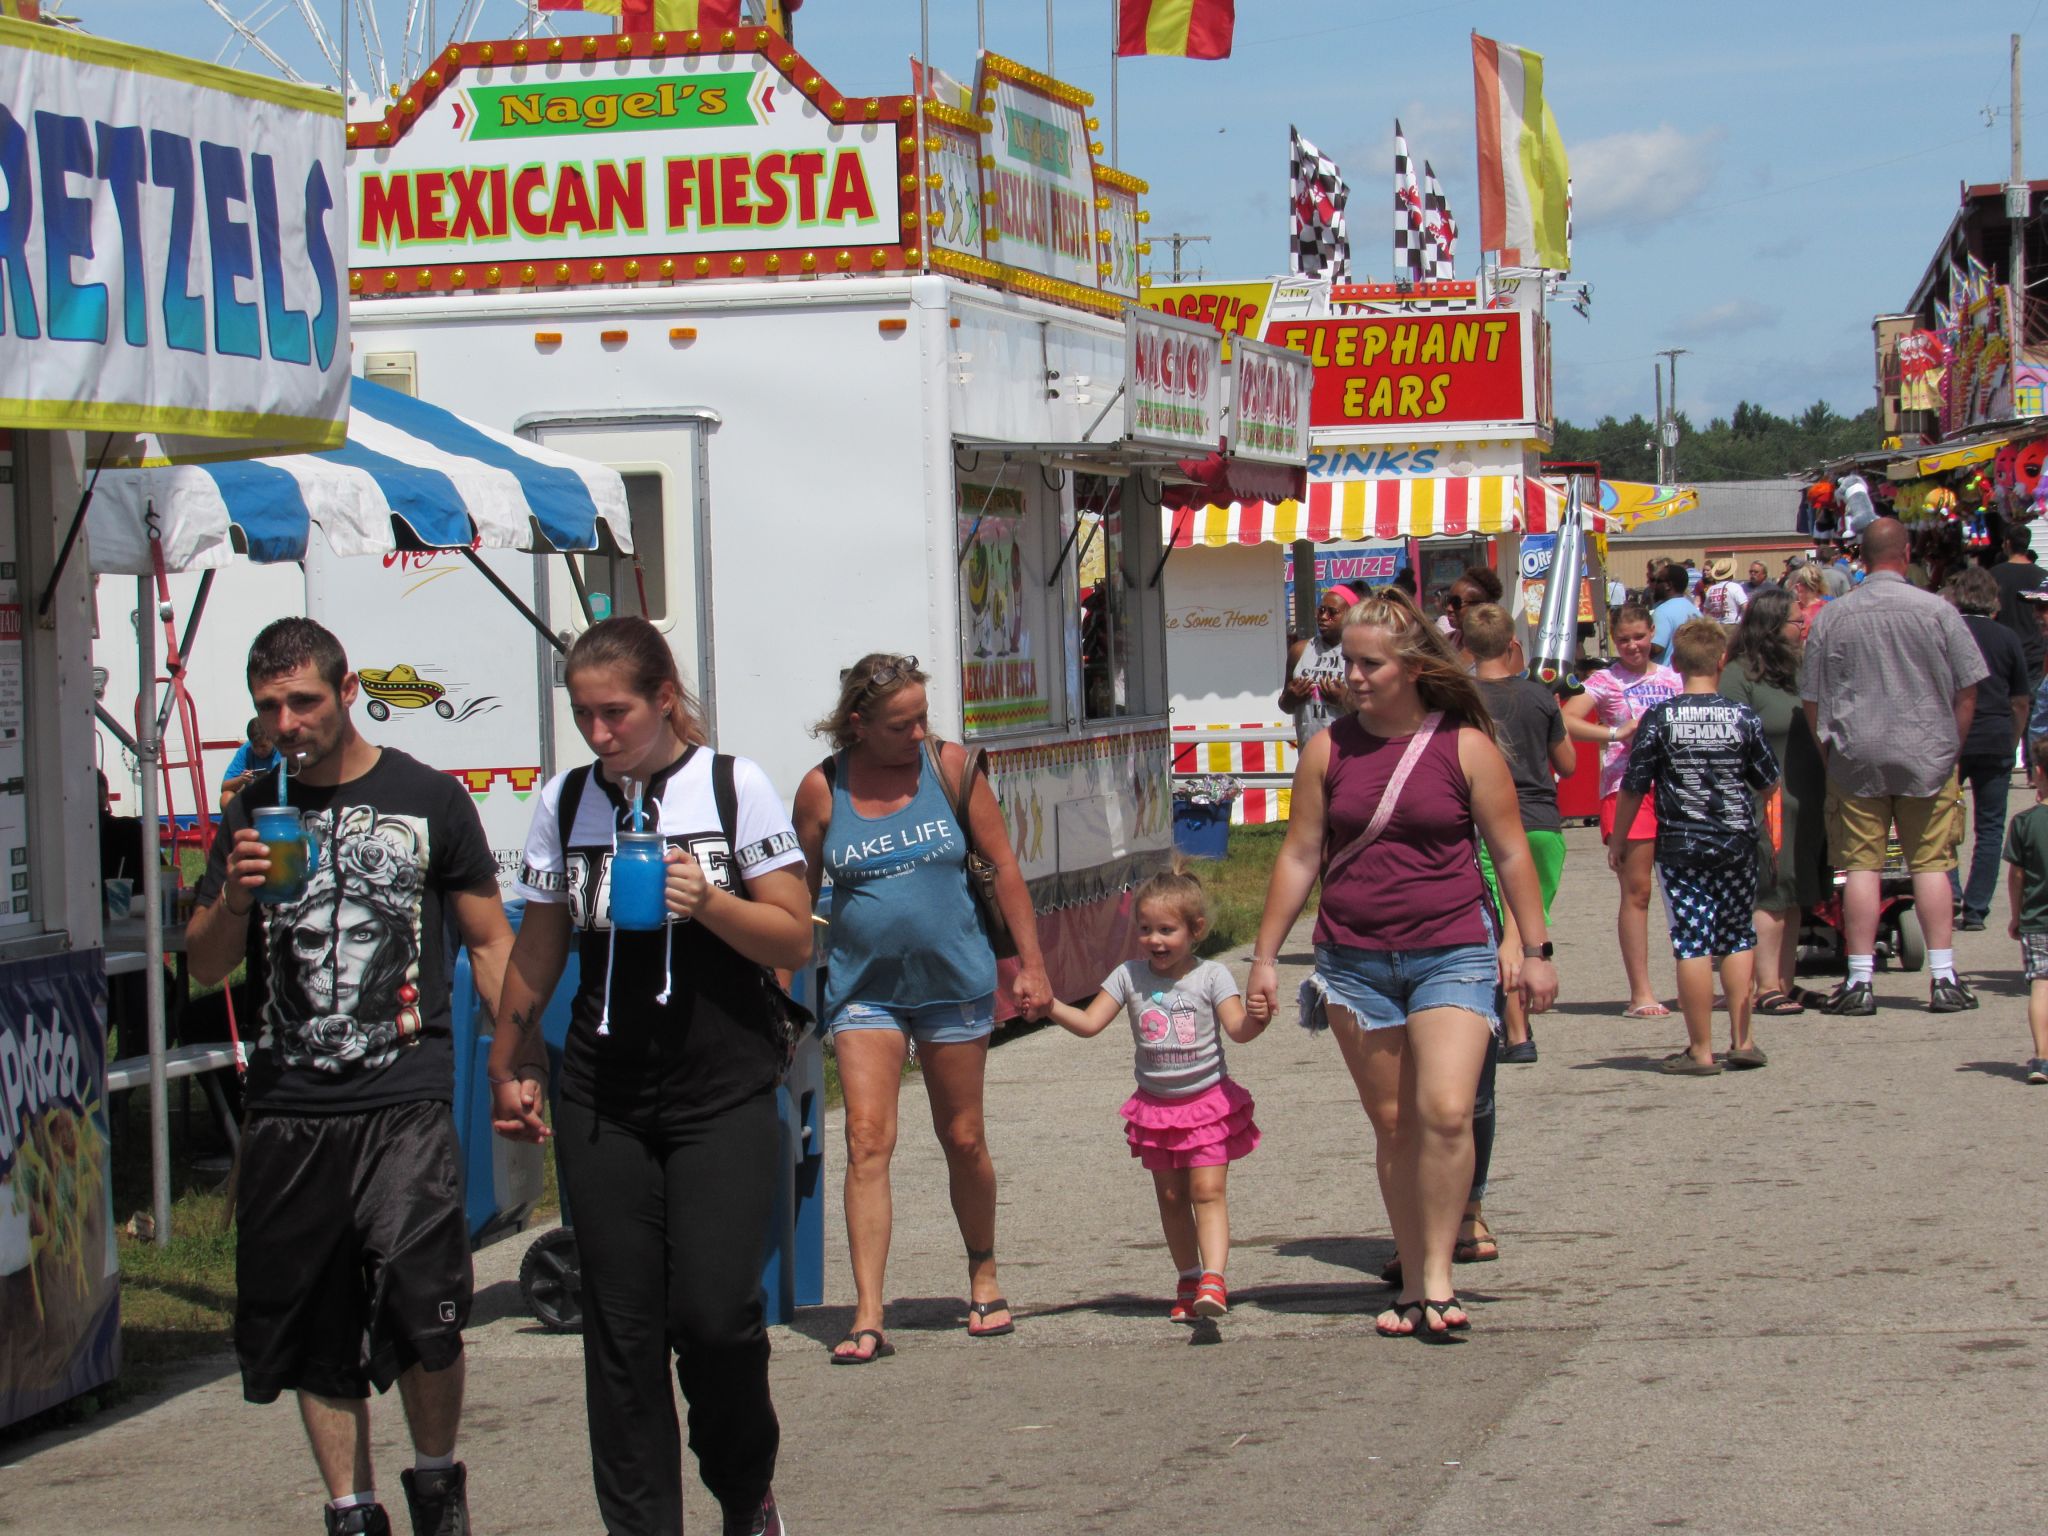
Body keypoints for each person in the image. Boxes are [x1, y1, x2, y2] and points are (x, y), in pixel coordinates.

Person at [186, 618, 513, 1536]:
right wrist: (236, 894)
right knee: (315, 1322)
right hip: (290, 1104)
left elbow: (490, 940)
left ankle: (438, 1486)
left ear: (346, 691)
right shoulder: (253, 807)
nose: (286, 722)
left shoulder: (428, 799)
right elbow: (205, 964)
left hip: (402, 1094)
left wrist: (515, 1059)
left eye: (303, 701)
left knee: (423, 1308)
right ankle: (351, 1509)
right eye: (268, 708)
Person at [485, 617, 804, 1536]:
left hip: (723, 1085)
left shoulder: (731, 786)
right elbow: (541, 943)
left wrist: (707, 901)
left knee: (714, 1317)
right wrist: (514, 1057)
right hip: (604, 1092)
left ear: (664, 698)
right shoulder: (568, 800)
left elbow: (790, 934)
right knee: (619, 1335)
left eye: (614, 712)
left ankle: (745, 1494)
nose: (598, 734)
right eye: (583, 716)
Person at [1244, 593, 1558, 1340]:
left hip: (1452, 949)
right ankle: (1415, 1278)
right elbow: (1298, 855)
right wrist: (1263, 956)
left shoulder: (1465, 746)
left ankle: (1441, 1276)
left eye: (1368, 663)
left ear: (1413, 668)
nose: (1350, 675)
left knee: (1446, 1112)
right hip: (1353, 959)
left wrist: (1534, 950)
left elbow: (1511, 850)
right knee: (1393, 1125)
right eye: (1346, 661)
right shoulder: (1330, 749)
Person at [791, 654, 1051, 1364]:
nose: (917, 734)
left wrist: (1031, 966)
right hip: (863, 991)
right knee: (867, 1140)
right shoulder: (822, 789)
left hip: (954, 981)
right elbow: (795, 896)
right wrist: (777, 978)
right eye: (901, 724)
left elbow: (1003, 868)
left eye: (921, 720)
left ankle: (984, 1273)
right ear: (858, 724)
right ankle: (868, 1312)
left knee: (963, 1137)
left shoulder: (952, 768)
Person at [1048, 865, 1266, 1322]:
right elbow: (1090, 1025)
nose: (1154, 940)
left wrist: (1258, 1018)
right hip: (1156, 1110)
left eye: (1167, 930)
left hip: (1207, 1103)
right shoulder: (1128, 976)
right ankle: (1188, 1277)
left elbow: (1238, 1029)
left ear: (1196, 930)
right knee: (1170, 1198)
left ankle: (1214, 1281)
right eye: (1145, 929)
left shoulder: (1213, 977)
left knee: (1207, 1190)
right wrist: (1049, 1006)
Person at [1802, 516, 1989, 1016]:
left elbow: (1813, 699)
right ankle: (1945, 977)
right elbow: (1969, 687)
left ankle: (1860, 980)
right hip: (1926, 753)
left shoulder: (1832, 618)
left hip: (1856, 753)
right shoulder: (1938, 612)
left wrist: (1829, 751)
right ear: (1907, 555)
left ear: (1861, 558)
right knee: (1931, 863)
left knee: (1860, 866)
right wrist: (1951, 746)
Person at [1610, 620, 1781, 1074]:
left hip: (1682, 843)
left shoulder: (1660, 717)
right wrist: (1752, 811)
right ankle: (1742, 1040)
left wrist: (1621, 839)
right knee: (1737, 936)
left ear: (1677, 664)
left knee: (1692, 942)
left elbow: (1634, 784)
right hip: (1735, 839)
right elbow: (1768, 779)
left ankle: (1700, 1049)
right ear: (1721, 661)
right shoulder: (1742, 716)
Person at [1465, 602, 1574, 1065]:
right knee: (1529, 925)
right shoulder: (1539, 697)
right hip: (1544, 827)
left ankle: (1517, 1031)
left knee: (1503, 932)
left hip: (1490, 826)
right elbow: (1566, 763)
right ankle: (1520, 1017)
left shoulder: (1461, 700)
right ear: (1513, 646)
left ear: (1464, 645)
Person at [1563, 603, 1680, 1017]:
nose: (1633, 646)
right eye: (1624, 639)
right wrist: (1614, 732)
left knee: (1683, 888)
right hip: (1624, 788)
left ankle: (1696, 980)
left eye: (1639, 636)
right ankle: (1641, 992)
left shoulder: (1673, 679)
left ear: (1652, 633)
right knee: (1638, 890)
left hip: (1675, 789)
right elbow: (1566, 720)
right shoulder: (1605, 680)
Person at [1720, 588, 1829, 1017]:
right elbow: (1730, 742)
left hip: (1808, 795)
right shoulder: (1739, 674)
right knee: (1770, 890)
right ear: (1771, 627)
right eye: (1795, 622)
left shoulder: (1800, 672)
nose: (1802, 629)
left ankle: (1786, 980)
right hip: (1765, 800)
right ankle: (1764, 984)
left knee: (1797, 890)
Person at [1945, 568, 2033, 932]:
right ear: (1993, 600)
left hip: (1952, 736)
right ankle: (1977, 907)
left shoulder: (1947, 634)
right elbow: (2020, 700)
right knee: (1990, 826)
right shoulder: (2007, 637)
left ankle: (1948, 890)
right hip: (1996, 733)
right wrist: (2013, 741)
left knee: (1943, 822)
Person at [2002, 753, 2048, 1083]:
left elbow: (2016, 876)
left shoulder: (2024, 822)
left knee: (2041, 986)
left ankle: (2043, 1058)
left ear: (2040, 772)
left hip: (2038, 919)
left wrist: (2016, 916)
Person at [1280, 585, 1358, 746]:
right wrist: (1292, 697)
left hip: (1348, 750)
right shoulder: (1299, 650)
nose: (1323, 616)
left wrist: (1343, 699)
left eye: (1332, 612)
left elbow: (1375, 710)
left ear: (1350, 615)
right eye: (1321, 610)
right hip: (1309, 750)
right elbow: (1285, 705)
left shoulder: (1359, 652)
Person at [1991, 524, 2046, 684]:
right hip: (2035, 652)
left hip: (2003, 650)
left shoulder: (1994, 575)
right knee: (2033, 704)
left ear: (2007, 544)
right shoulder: (2043, 576)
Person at [221, 714, 283, 808]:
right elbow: (224, 787)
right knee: (226, 797)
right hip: (254, 799)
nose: (258, 751)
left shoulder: (284, 748)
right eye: (255, 746)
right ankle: (237, 822)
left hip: (279, 799)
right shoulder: (246, 750)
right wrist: (241, 779)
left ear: (272, 739)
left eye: (263, 746)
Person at [1647, 561, 1701, 663]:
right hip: (1687, 674)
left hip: (1667, 675)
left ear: (1668, 585)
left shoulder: (1662, 612)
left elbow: (1655, 648)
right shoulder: (1694, 610)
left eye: (1658, 581)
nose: (1655, 585)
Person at [1701, 557, 1750, 624]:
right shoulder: (1735, 587)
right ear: (1731, 574)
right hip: (1733, 625)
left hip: (1716, 627)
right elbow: (1745, 607)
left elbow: (1706, 612)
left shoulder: (1711, 589)